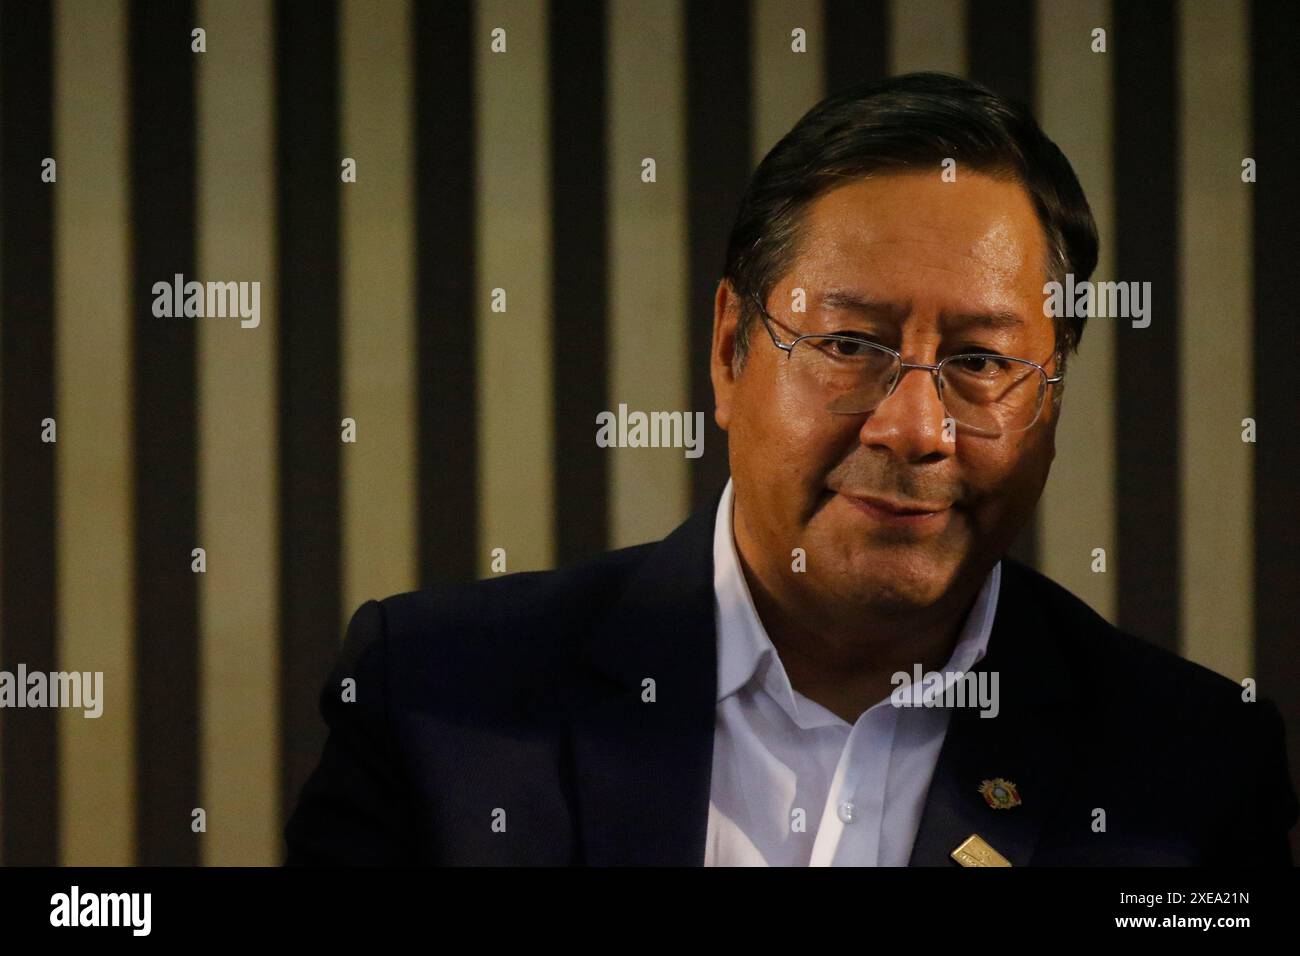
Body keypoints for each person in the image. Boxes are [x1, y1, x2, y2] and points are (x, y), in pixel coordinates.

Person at [284, 72, 1297, 866]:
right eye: (850, 344)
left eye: (980, 362)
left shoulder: (1188, 768)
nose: (913, 429)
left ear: (1050, 401)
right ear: (731, 349)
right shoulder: (438, 699)